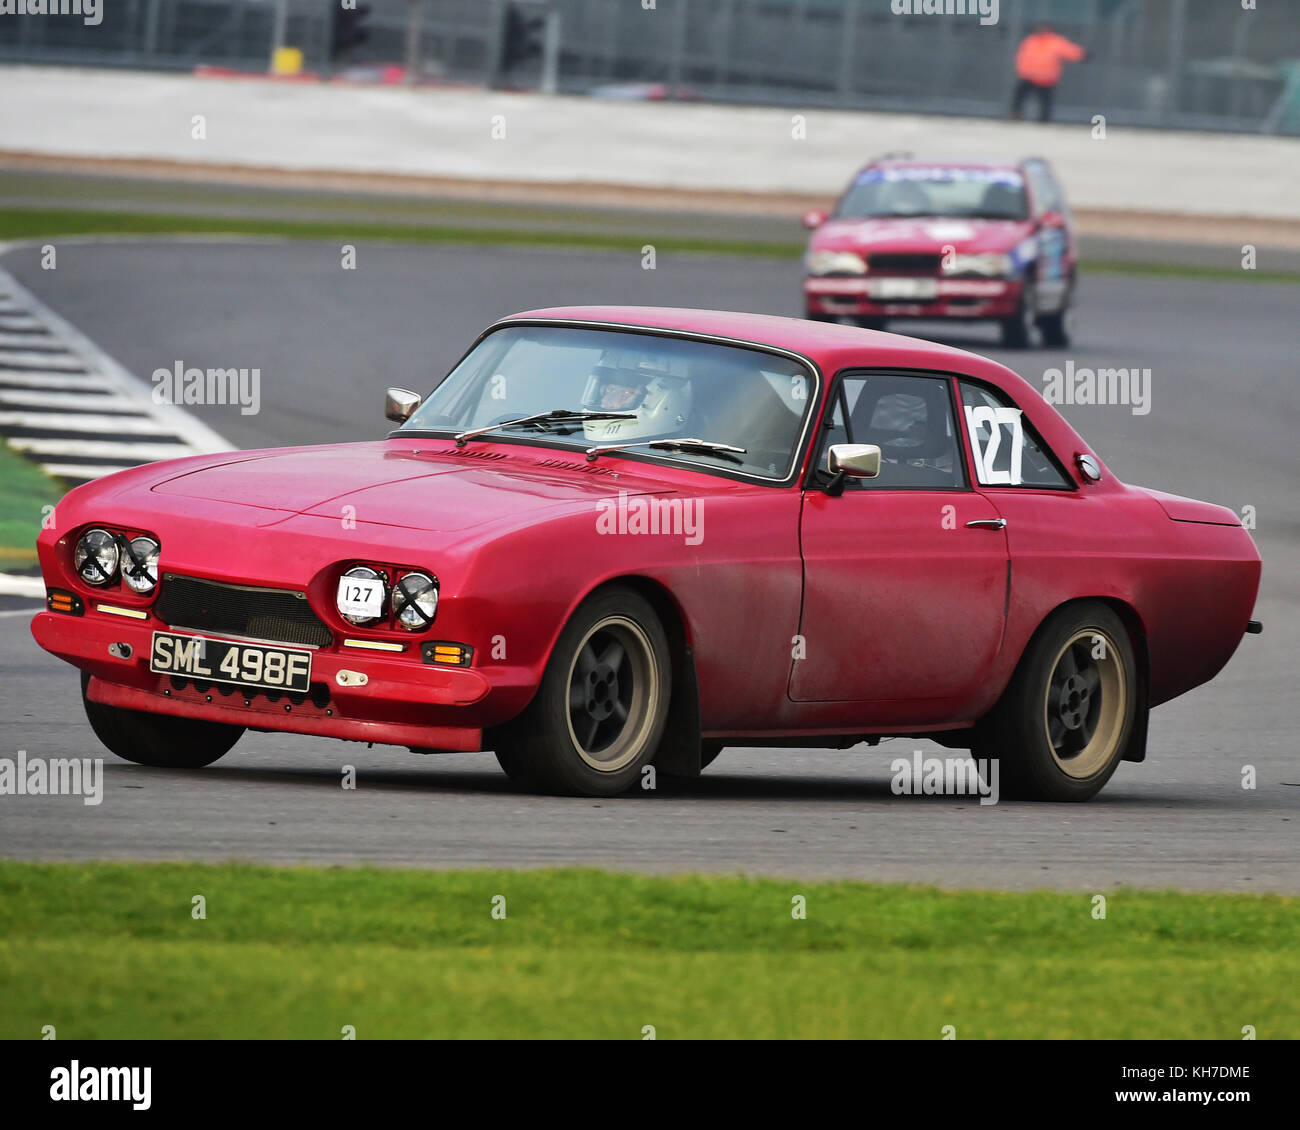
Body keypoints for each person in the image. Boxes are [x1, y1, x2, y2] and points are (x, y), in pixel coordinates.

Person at [1011, 23, 1087, 122]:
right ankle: (1016, 114)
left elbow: (1070, 51)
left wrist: (1082, 55)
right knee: (1020, 97)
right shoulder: (1031, 40)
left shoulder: (1054, 41)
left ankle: (1043, 119)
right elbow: (1021, 56)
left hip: (1044, 78)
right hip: (1029, 76)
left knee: (1044, 101)